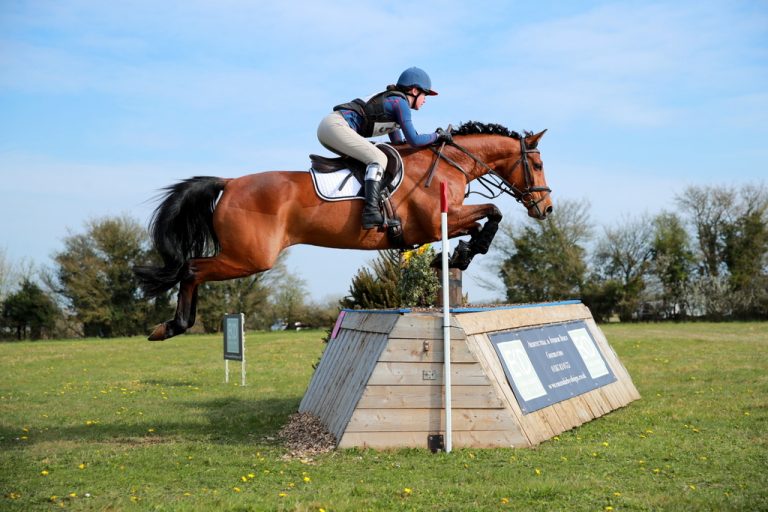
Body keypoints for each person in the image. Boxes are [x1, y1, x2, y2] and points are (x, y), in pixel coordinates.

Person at [317, 66, 452, 229]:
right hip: (335, 126)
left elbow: (399, 146)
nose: (426, 100)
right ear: (415, 91)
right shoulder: (400, 103)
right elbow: (414, 140)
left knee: (381, 157)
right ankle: (370, 211)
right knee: (379, 158)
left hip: (332, 128)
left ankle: (360, 202)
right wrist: (437, 136)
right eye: (425, 94)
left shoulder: (395, 106)